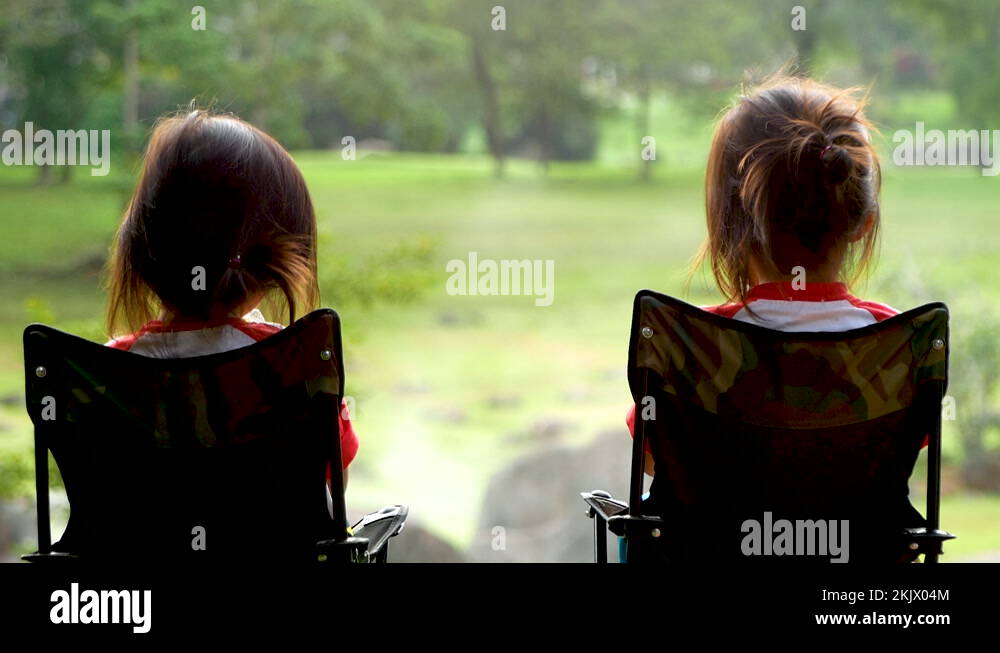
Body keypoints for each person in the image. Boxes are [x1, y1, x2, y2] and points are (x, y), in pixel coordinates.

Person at [628, 74, 897, 475]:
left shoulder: (694, 343)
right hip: (860, 541)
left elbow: (652, 461)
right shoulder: (891, 341)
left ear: (728, 221)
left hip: (719, 540)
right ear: (863, 221)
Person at [103, 109, 358, 490]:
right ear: (273, 265)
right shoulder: (293, 362)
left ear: (140, 252)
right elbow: (332, 487)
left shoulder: (105, 372)